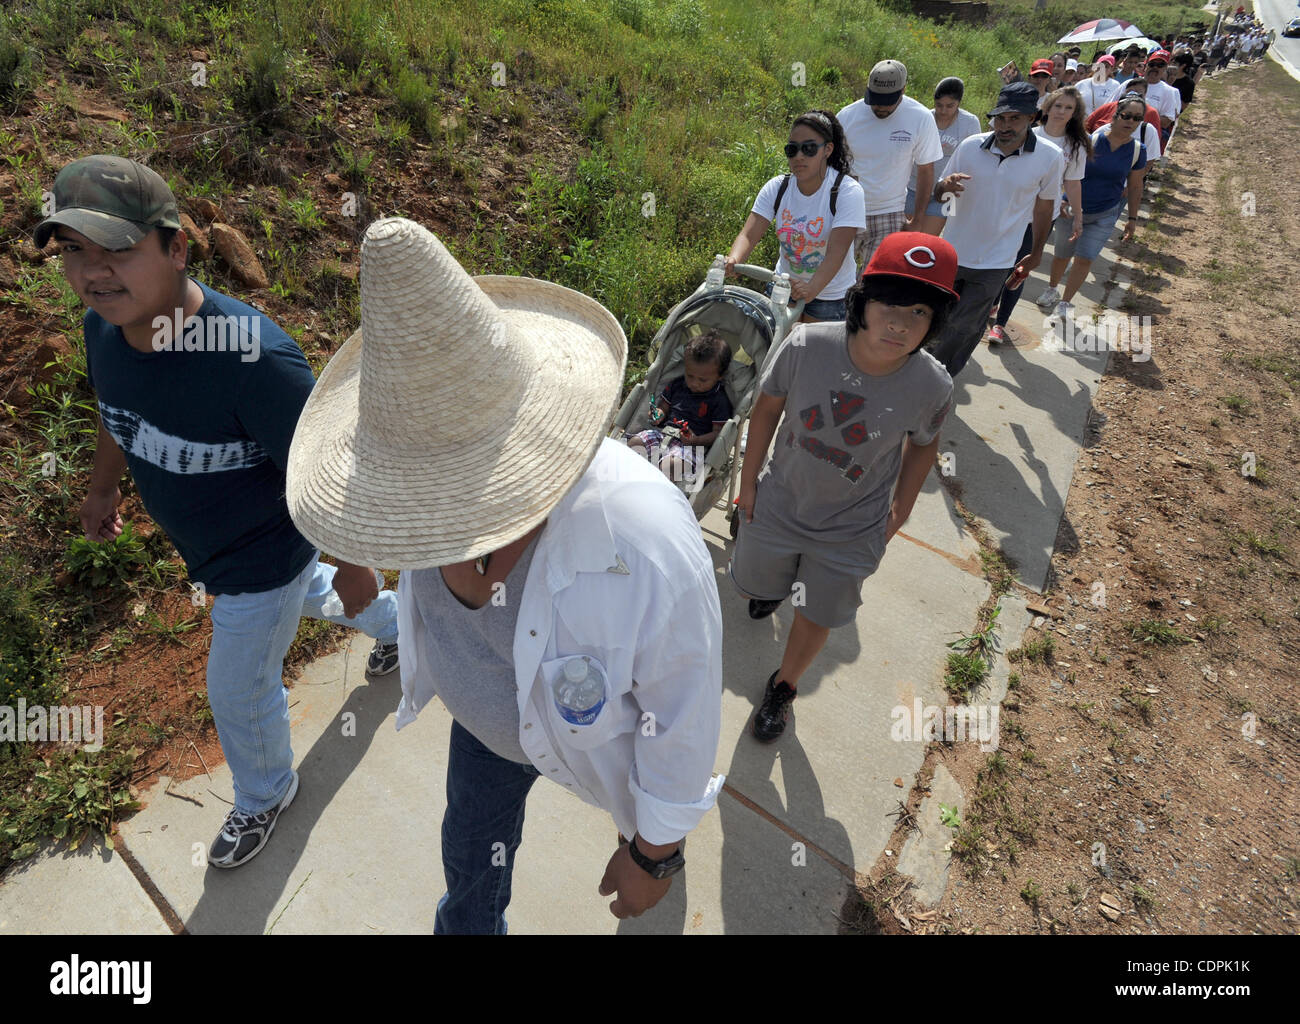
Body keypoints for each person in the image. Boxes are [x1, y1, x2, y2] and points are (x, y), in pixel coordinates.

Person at [287, 216, 724, 932]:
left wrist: (653, 856)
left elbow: (680, 717)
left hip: (603, 745)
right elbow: (346, 517)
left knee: (636, 817)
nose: (424, 525)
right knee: (469, 867)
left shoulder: (643, 545)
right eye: (402, 494)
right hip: (485, 733)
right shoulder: (412, 484)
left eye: (448, 490)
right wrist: (353, 556)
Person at [35, 156, 401, 869]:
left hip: (262, 555)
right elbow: (115, 410)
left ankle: (266, 793)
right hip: (217, 555)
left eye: (118, 249)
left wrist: (355, 558)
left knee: (238, 685)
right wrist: (103, 486)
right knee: (313, 600)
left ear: (176, 248)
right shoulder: (105, 329)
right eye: (74, 250)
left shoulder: (252, 359)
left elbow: (323, 464)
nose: (93, 272)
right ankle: (398, 625)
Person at [729, 231, 958, 742]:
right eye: (888, 305)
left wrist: (899, 513)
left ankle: (783, 687)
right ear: (860, 301)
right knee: (755, 582)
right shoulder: (808, 345)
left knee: (817, 611)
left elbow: (924, 443)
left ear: (936, 322)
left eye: (919, 312)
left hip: (852, 527)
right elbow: (767, 407)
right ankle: (773, 589)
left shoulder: (932, 385)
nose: (899, 324)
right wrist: (748, 483)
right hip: (781, 501)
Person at [925, 82, 1064, 377]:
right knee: (933, 319)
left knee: (965, 328)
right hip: (951, 252)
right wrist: (944, 187)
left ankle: (939, 380)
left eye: (1015, 118)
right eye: (1000, 118)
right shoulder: (970, 146)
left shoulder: (1050, 157)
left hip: (996, 261)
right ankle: (918, 373)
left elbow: (1043, 209)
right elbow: (939, 194)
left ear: (1032, 118)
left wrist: (1036, 253)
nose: (1005, 125)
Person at [725, 110, 865, 322]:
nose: (799, 156)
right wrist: (734, 259)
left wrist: (811, 289)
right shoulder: (777, 187)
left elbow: (837, 252)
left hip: (829, 297)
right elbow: (748, 235)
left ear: (827, 149)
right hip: (783, 287)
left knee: (812, 353)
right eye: (792, 150)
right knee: (777, 349)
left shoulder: (847, 191)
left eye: (808, 149)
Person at [987, 87, 1089, 346]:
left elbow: (1074, 183)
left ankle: (1000, 323)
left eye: (1068, 108)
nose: (1062, 112)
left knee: (1020, 268)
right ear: (1046, 108)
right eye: (1058, 106)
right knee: (997, 262)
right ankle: (991, 302)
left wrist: (1077, 215)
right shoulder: (1025, 132)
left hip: (1041, 217)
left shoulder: (1075, 145)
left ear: (1075, 114)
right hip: (1009, 210)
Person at [1034, 94, 1149, 320]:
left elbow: (1135, 186)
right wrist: (1065, 199)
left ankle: (1066, 302)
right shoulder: (1092, 141)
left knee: (1086, 257)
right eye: (1126, 116)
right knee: (1062, 254)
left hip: (1105, 213)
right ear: (1115, 115)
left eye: (1137, 118)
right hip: (1074, 209)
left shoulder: (1138, 150)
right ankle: (1052, 288)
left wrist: (1132, 219)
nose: (1131, 122)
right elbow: (1071, 175)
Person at [836, 59, 943, 266]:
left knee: (875, 281)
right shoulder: (848, 116)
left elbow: (926, 170)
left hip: (890, 212)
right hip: (848, 209)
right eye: (875, 100)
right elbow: (832, 164)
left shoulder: (920, 118)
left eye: (888, 101)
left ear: (903, 90)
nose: (880, 107)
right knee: (836, 276)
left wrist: (917, 220)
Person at [627, 330, 733, 481]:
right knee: (635, 444)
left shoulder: (718, 400)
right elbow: (664, 407)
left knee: (669, 466)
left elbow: (718, 434)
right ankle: (627, 480)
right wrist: (658, 414)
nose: (694, 383)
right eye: (690, 375)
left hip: (692, 447)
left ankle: (656, 493)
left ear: (720, 376)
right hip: (663, 434)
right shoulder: (678, 385)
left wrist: (696, 440)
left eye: (703, 380)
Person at [904, 76, 982, 236]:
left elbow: (974, 155)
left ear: (959, 103)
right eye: (939, 105)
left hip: (945, 193)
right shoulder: (925, 118)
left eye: (949, 106)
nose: (943, 111)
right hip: (913, 189)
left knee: (927, 242)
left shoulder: (970, 123)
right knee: (907, 239)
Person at [1086, 77, 1162, 160]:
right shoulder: (1108, 110)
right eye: (1126, 116)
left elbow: (1152, 152)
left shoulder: (1151, 115)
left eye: (1137, 118)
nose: (1131, 120)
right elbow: (1087, 125)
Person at [1142, 50, 1182, 147]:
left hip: (1148, 140)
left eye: (1160, 65)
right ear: (1146, 65)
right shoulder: (1129, 84)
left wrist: (1135, 117)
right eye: (1152, 64)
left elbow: (1166, 122)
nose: (1155, 67)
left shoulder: (1170, 92)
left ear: (1165, 68)